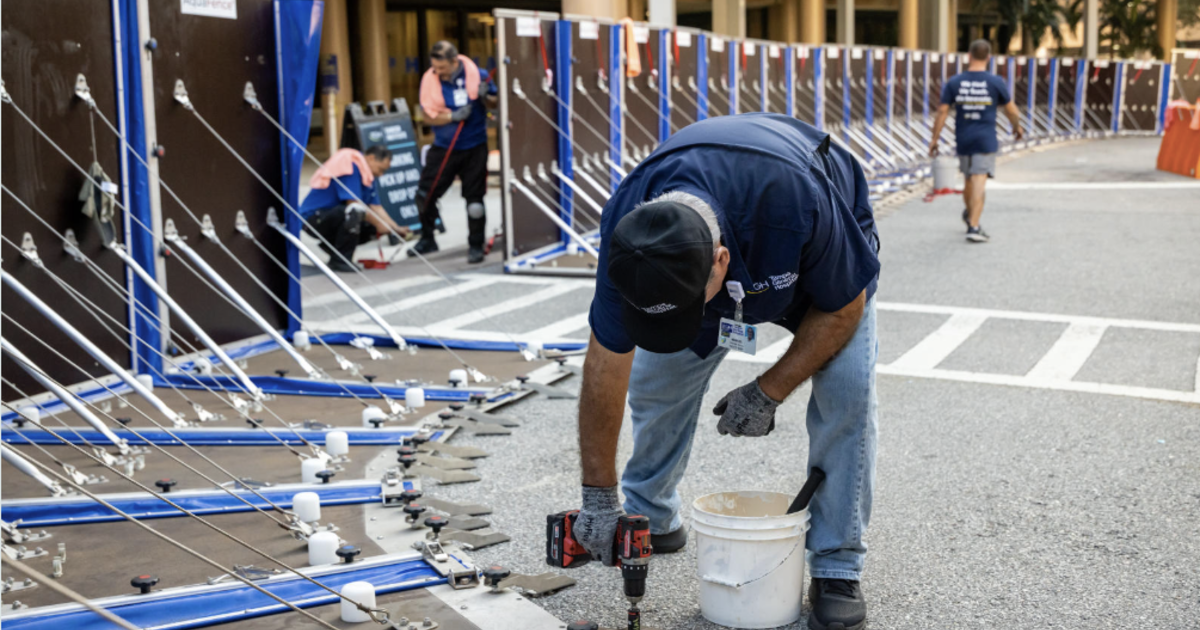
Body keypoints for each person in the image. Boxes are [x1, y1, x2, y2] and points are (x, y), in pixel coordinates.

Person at [575, 113, 881, 630]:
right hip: (714, 274)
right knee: (656, 383)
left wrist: (770, 389)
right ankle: (650, 511)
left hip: (812, 271)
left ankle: (836, 565)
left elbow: (844, 308)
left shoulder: (795, 199)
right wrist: (597, 496)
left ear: (720, 262)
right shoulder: (630, 233)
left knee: (848, 394)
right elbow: (604, 364)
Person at [410, 41, 499, 263]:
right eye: (435, 68)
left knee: (474, 202)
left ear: (454, 61)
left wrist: (485, 96)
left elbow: (496, 104)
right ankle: (427, 238)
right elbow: (426, 116)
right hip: (444, 146)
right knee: (424, 195)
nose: (438, 73)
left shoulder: (478, 74)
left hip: (474, 146)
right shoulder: (430, 80)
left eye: (442, 68)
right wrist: (452, 117)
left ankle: (476, 245)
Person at [928, 39, 1024, 243]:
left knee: (969, 180)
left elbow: (942, 112)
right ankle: (974, 225)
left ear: (969, 56)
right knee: (979, 180)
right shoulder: (995, 81)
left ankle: (970, 213)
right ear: (988, 58)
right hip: (985, 139)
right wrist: (1017, 128)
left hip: (963, 138)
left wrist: (934, 140)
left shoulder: (955, 82)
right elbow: (1011, 110)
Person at [298, 145, 410, 272]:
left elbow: (377, 208)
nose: (381, 174)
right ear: (372, 158)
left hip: (332, 216)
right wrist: (380, 224)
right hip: (313, 219)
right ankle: (340, 259)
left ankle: (334, 251)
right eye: (380, 169)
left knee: (370, 226)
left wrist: (395, 229)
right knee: (355, 212)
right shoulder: (350, 167)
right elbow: (354, 204)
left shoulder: (367, 175)